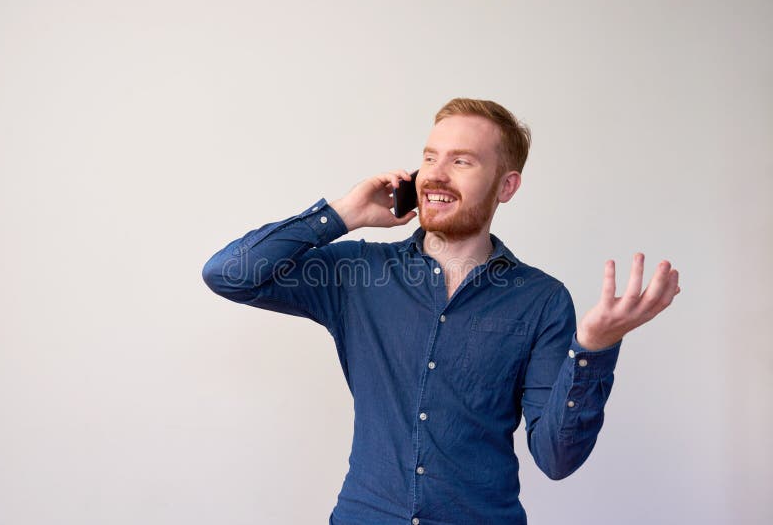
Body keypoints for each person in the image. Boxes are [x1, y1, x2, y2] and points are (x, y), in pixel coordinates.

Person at [201, 98, 681, 524]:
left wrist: (594, 348)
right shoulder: (358, 272)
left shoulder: (542, 300)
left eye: (461, 160)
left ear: (506, 186)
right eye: (430, 156)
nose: (435, 172)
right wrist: (343, 214)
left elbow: (557, 458)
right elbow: (228, 273)